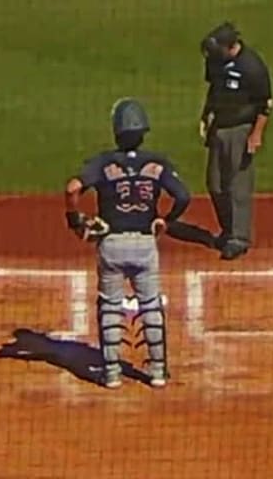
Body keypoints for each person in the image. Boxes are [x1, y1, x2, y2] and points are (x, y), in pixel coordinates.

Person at [64, 98, 191, 389]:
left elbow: (72, 189)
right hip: (145, 244)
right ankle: (158, 372)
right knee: (150, 305)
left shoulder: (102, 162)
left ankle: (110, 374)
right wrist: (166, 220)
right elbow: (183, 197)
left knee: (110, 305)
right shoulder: (158, 163)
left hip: (111, 244)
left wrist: (74, 218)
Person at [198, 22, 273, 261]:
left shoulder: (252, 66)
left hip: (241, 129)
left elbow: (265, 104)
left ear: (231, 47)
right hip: (219, 126)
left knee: (238, 185)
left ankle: (239, 238)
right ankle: (228, 229)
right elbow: (214, 89)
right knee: (216, 184)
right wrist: (206, 114)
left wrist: (256, 134)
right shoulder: (215, 59)